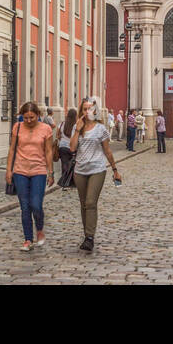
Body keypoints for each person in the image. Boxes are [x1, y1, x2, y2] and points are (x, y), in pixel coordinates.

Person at [70, 98, 120, 252]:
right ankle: (87, 235)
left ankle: (89, 237)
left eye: (90, 109)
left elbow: (107, 151)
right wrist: (77, 130)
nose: (87, 112)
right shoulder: (77, 127)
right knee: (84, 204)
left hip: (97, 169)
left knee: (91, 202)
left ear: (95, 111)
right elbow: (72, 148)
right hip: (80, 171)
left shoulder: (100, 129)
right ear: (81, 112)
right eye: (84, 109)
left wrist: (115, 169)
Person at [5, 101, 54, 251]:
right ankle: (28, 239)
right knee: (25, 207)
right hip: (20, 171)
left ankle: (39, 228)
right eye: (25, 117)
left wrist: (50, 172)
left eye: (31, 117)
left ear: (38, 115)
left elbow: (48, 151)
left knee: (36, 205)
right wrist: (9, 170)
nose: (28, 121)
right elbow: (12, 149)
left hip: (39, 171)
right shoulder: (17, 127)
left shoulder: (46, 129)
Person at [57, 108, 79, 189]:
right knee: (73, 165)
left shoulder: (62, 124)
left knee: (64, 165)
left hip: (62, 147)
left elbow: (58, 135)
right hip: (73, 147)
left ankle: (64, 184)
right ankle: (72, 182)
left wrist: (62, 139)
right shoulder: (76, 125)